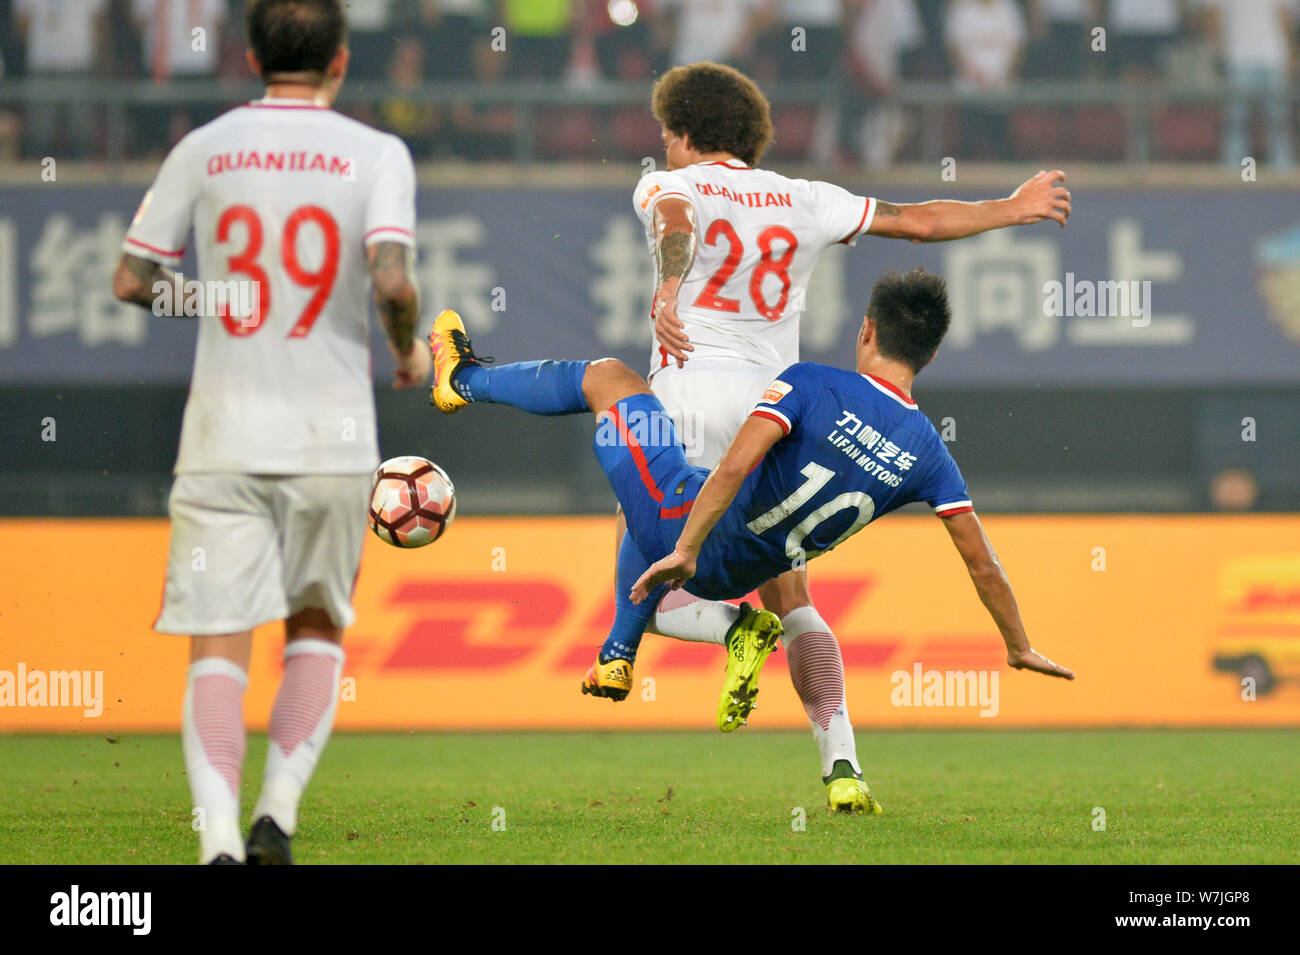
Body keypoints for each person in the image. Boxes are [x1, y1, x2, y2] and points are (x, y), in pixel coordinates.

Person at [427, 269, 1075, 814]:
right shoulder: (932, 455)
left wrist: (684, 548)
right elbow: (982, 562)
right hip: (762, 559)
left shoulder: (813, 383)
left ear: (867, 331)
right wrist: (1018, 644)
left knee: (608, 381)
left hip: (690, 532)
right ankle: (842, 767)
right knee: (796, 601)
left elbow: (735, 463)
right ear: (929, 355)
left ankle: (463, 380)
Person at [614, 62, 1069, 810]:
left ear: (689, 133)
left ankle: (725, 628)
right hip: (771, 406)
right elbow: (920, 220)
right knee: (795, 592)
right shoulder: (806, 198)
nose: (663, 145)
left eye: (669, 133)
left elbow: (675, 229)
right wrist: (1013, 208)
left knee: (651, 577)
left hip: (694, 400)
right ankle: (843, 767)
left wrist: (667, 292)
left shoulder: (674, 184)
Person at [110, 0, 429, 864]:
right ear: (342, 59)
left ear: (251, 54)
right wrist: (404, 355)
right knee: (316, 628)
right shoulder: (377, 152)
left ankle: (215, 841)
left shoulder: (203, 146)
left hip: (221, 437)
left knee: (219, 641)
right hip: (330, 442)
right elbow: (394, 283)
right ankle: (274, 820)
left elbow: (132, 279)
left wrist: (214, 297)